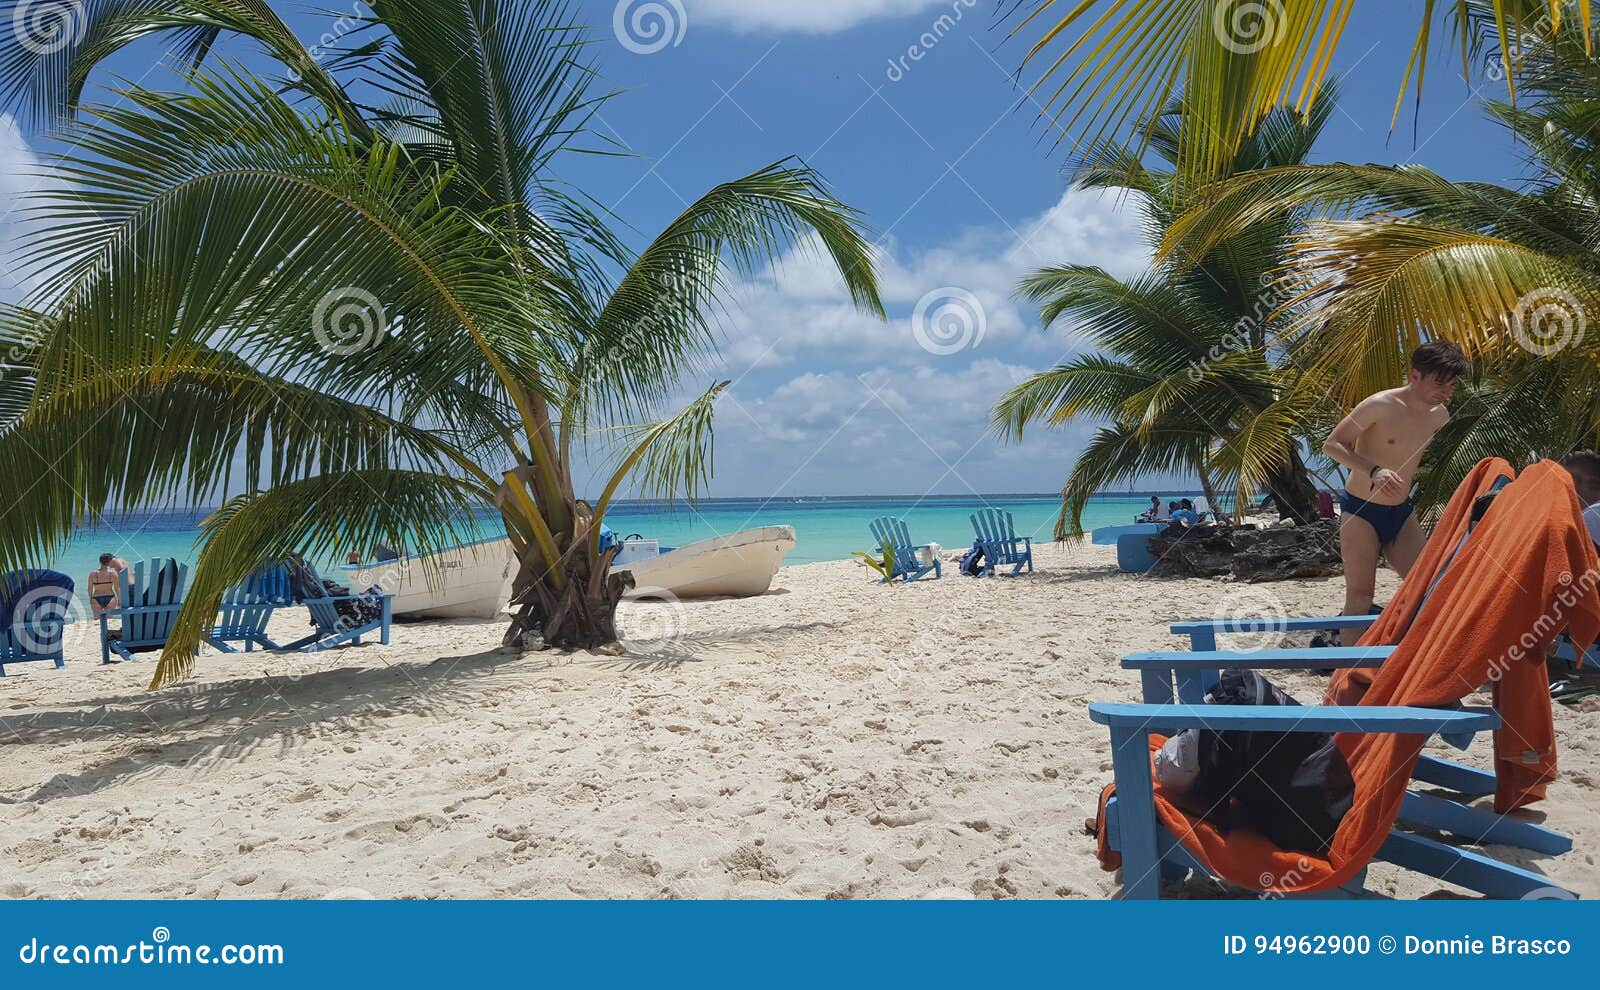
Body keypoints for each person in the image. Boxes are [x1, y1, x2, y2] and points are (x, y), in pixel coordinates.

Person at [1322, 341, 1470, 619]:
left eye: (1451, 385)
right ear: (1416, 376)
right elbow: (1332, 445)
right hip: (1361, 510)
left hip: (1402, 512)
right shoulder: (1380, 405)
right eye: (1440, 383)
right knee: (1360, 596)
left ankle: (1414, 658)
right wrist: (1374, 471)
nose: (1446, 392)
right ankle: (1347, 664)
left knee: (1429, 588)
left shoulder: (1440, 416)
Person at [86, 553, 122, 617]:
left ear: (100, 562)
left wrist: (90, 599)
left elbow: (89, 589)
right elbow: (117, 588)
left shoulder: (93, 574)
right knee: (109, 620)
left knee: (97, 620)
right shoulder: (113, 573)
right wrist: (119, 600)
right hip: (110, 598)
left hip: (96, 598)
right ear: (109, 562)